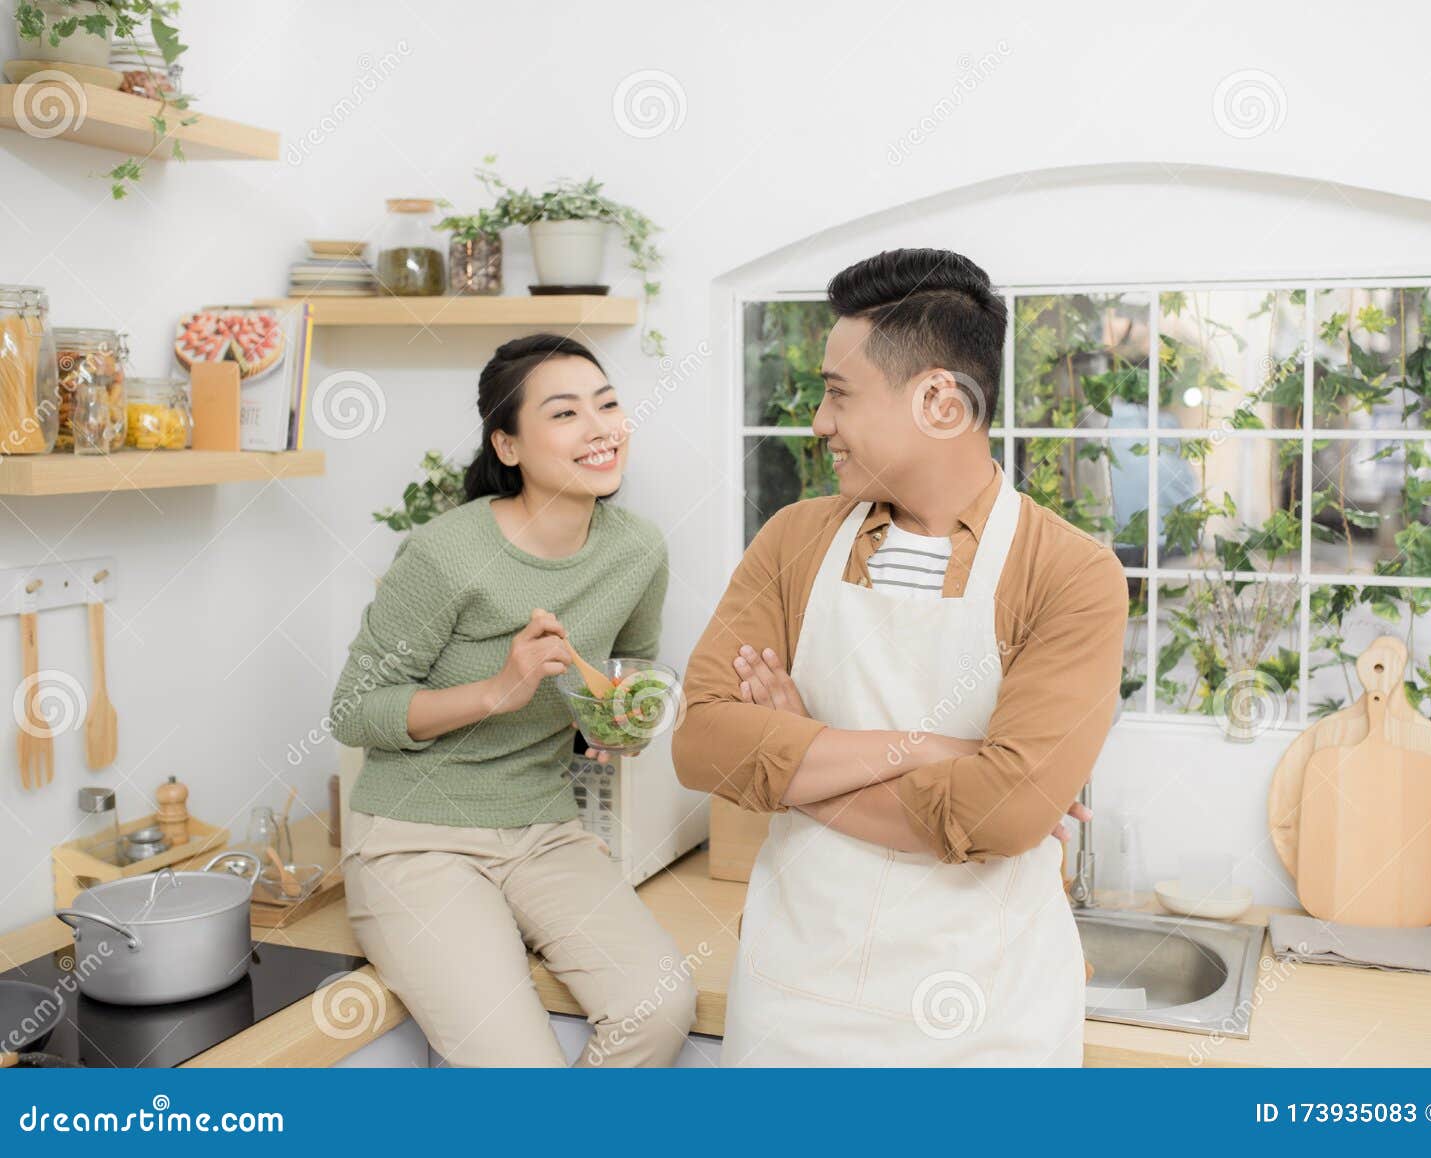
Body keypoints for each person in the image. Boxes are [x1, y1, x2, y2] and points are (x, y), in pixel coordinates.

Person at [673, 249, 1127, 1066]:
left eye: (839, 394)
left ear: (939, 401)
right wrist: (922, 751)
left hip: (984, 1023)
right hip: (792, 1004)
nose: (819, 422)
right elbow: (702, 742)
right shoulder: (793, 540)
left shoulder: (1070, 574)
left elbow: (1006, 813)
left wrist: (797, 753)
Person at [329, 334, 695, 1067]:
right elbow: (353, 710)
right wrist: (499, 691)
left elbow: (628, 672)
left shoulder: (638, 551)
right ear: (509, 444)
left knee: (660, 1006)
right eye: (565, 414)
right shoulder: (446, 553)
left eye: (609, 405)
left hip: (544, 831)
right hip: (414, 839)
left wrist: (617, 725)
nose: (601, 429)